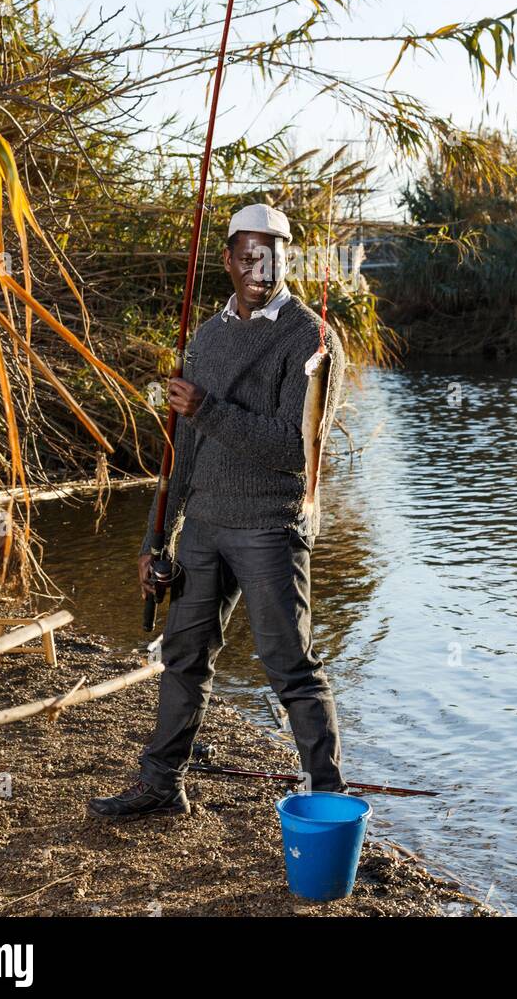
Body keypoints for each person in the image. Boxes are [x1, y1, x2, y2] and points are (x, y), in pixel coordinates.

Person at [88, 203, 347, 818]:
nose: (263, 266)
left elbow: (294, 450)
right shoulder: (206, 336)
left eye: (276, 253)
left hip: (269, 527)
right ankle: (162, 785)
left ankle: (331, 803)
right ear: (229, 260)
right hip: (202, 525)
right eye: (251, 255)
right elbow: (185, 452)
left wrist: (208, 408)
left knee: (290, 665)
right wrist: (159, 537)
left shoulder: (312, 339)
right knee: (183, 657)